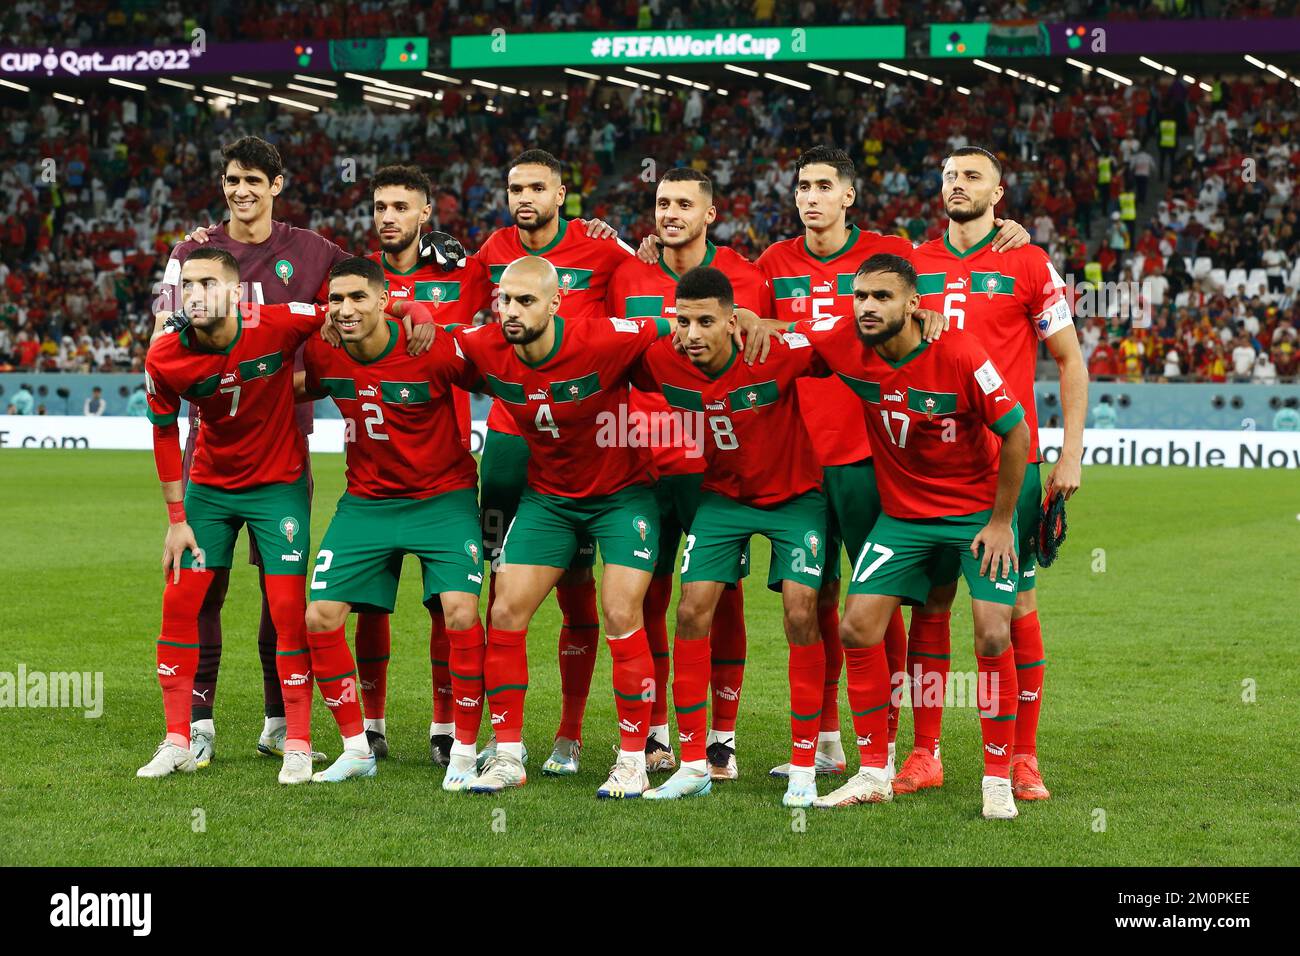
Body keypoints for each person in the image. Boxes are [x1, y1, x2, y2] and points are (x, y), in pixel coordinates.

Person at [754, 146, 1030, 782]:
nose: (812, 196)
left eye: (826, 185)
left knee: (905, 604)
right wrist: (648, 252)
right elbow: (730, 309)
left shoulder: (894, 251)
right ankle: (829, 743)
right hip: (796, 458)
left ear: (848, 195)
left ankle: (912, 745)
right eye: (803, 186)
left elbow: (938, 287)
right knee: (812, 602)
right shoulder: (773, 262)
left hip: (870, 460)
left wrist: (1006, 234)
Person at [153, 135, 361, 768]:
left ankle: (281, 721)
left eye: (252, 180)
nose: (241, 191)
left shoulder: (312, 250)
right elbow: (166, 329)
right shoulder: (191, 250)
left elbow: (357, 297)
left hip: (282, 438)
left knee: (282, 594)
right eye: (231, 180)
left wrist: (310, 378)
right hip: (210, 440)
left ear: (276, 184)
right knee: (202, 589)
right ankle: (196, 721)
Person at [799, 253, 1030, 820]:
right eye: (861, 297)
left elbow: (1017, 432)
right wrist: (757, 324)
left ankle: (997, 777)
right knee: (857, 627)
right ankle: (874, 770)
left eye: (882, 297)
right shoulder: (846, 347)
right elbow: (791, 337)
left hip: (976, 515)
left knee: (993, 634)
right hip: (903, 518)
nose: (869, 307)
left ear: (913, 305)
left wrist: (1001, 522)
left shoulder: (959, 352)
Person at [900, 146, 1087, 802]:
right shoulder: (911, 264)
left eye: (971, 176)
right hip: (926, 467)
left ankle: (1023, 757)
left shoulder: (1028, 262)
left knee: (1009, 614)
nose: (957, 184)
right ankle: (924, 753)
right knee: (930, 605)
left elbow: (1069, 360)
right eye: (949, 175)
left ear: (998, 193)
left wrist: (1069, 452)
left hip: (1008, 467)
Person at [451, 256, 676, 800]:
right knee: (505, 609)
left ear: (556, 303)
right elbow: (433, 341)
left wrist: (749, 317)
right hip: (549, 501)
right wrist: (408, 308)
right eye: (504, 298)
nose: (511, 310)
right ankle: (507, 754)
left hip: (623, 497)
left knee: (621, 610)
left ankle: (632, 759)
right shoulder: (485, 346)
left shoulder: (602, 339)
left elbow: (684, 320)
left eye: (525, 301)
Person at [631, 266, 829, 807]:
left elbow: (840, 338)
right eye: (683, 320)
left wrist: (772, 319)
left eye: (705, 322)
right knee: (692, 609)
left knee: (800, 612)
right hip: (722, 498)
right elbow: (609, 337)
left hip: (796, 498)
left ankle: (805, 766)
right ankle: (694, 762)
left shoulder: (774, 350)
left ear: (731, 321)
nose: (691, 334)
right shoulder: (661, 358)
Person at [470, 149, 637, 776]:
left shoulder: (601, 250)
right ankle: (490, 734)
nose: (524, 198)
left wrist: (627, 242)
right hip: (512, 438)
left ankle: (571, 734)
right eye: (515, 187)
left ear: (561, 193)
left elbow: (647, 296)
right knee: (498, 588)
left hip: (590, 442)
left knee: (580, 593)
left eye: (537, 187)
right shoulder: (490, 252)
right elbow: (463, 324)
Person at [299, 257, 487, 786]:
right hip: (367, 503)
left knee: (458, 613)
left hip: (442, 500)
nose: (346, 309)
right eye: (336, 300)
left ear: (385, 300)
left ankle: (466, 752)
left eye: (359, 297)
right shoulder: (322, 348)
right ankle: (357, 748)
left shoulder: (430, 344)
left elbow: (498, 379)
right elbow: (294, 381)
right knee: (320, 617)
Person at [609, 167, 768, 777]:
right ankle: (653, 731)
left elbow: (778, 345)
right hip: (638, 459)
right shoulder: (625, 272)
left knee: (720, 597)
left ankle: (721, 737)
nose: (670, 212)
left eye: (683, 204)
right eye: (661, 202)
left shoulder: (749, 275)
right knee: (647, 593)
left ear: (710, 214)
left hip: (715, 466)